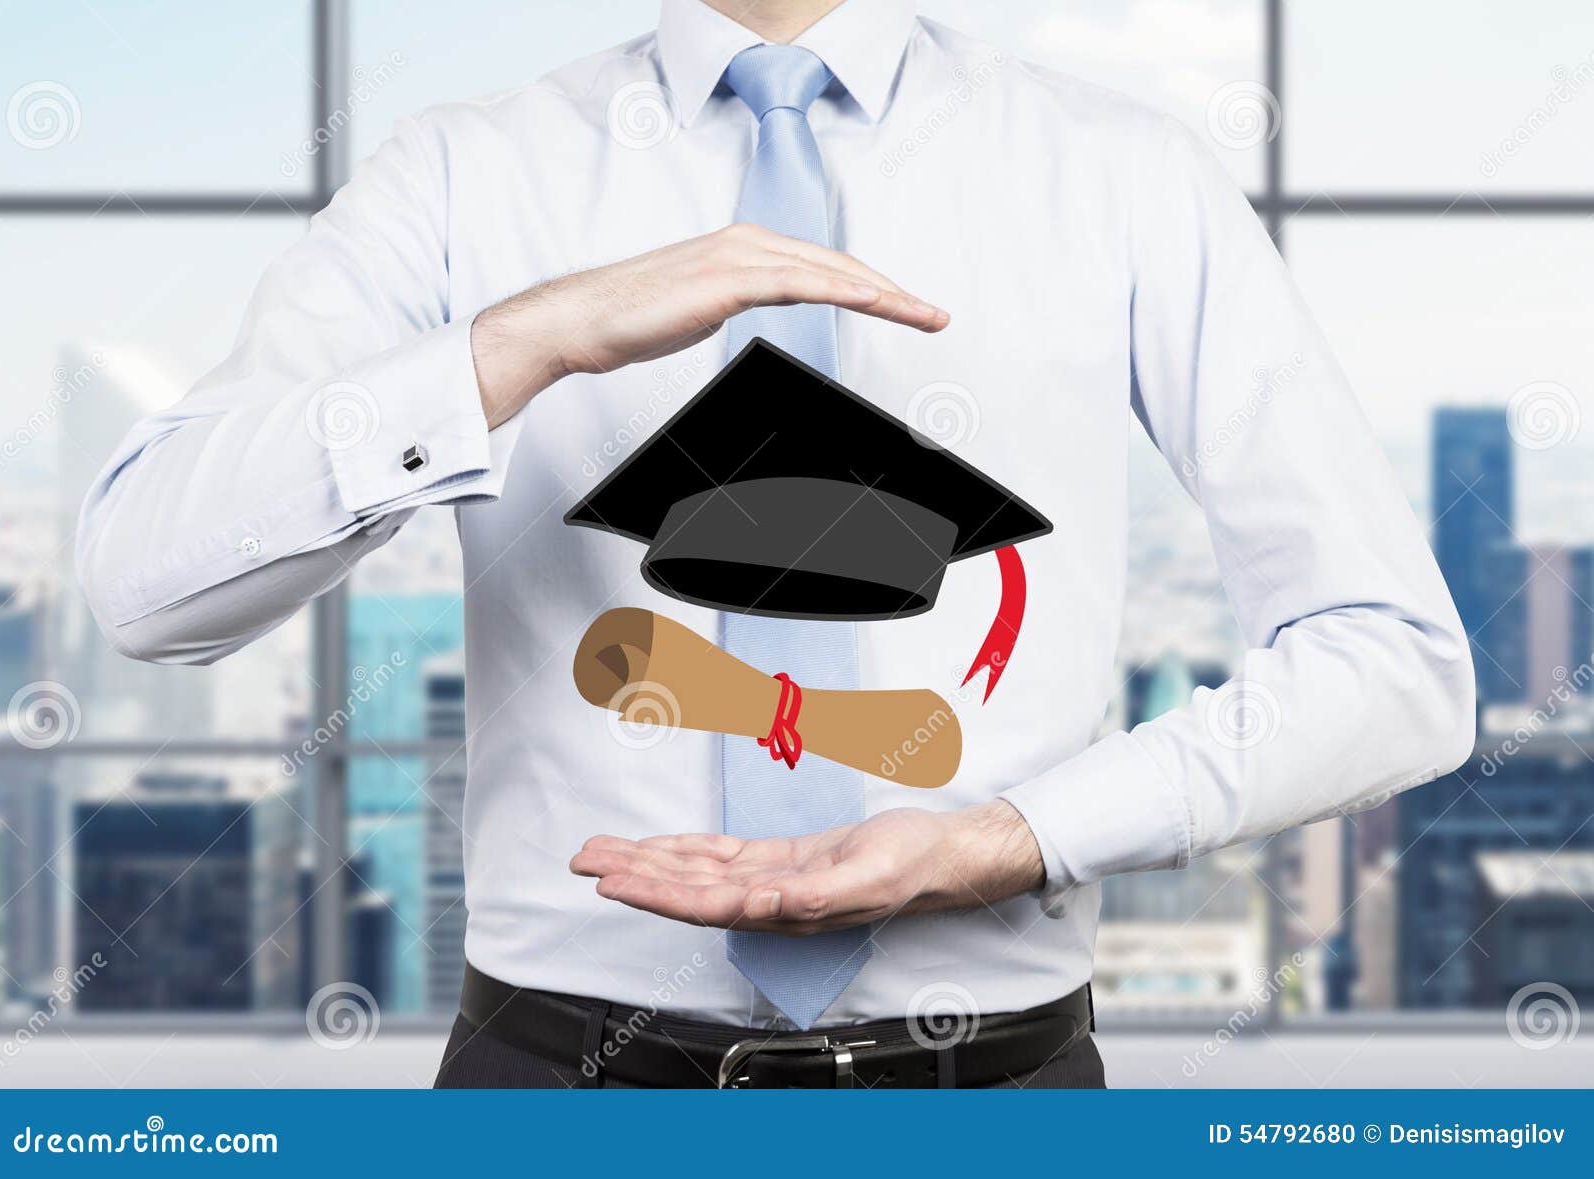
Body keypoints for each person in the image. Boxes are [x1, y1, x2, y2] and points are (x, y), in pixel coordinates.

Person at [76, 0, 1474, 1088]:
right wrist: (524, 342)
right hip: (558, 1077)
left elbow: (1393, 665)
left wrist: (1011, 838)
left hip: (992, 1078)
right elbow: (146, 581)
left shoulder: (1119, 176)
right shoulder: (462, 174)